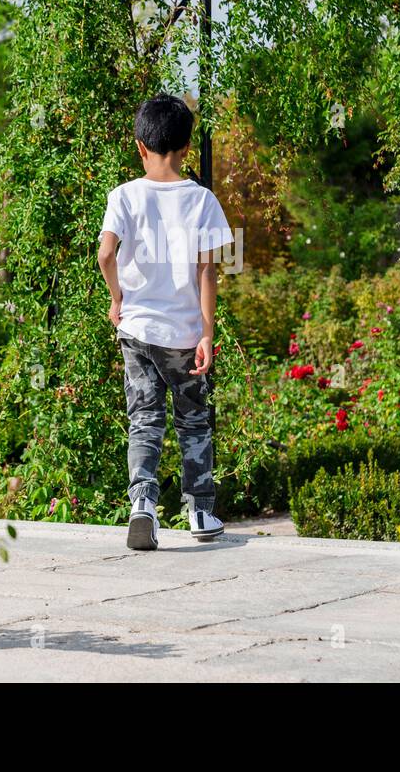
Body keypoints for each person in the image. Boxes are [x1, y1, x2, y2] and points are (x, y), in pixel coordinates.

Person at [97, 93, 234, 550]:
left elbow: (105, 254)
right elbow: (208, 270)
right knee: (193, 421)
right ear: (187, 148)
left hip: (136, 329)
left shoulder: (123, 196)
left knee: (144, 419)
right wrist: (207, 332)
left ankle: (143, 505)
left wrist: (117, 297)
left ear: (140, 146)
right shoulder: (202, 200)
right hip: (183, 335)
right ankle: (201, 511)